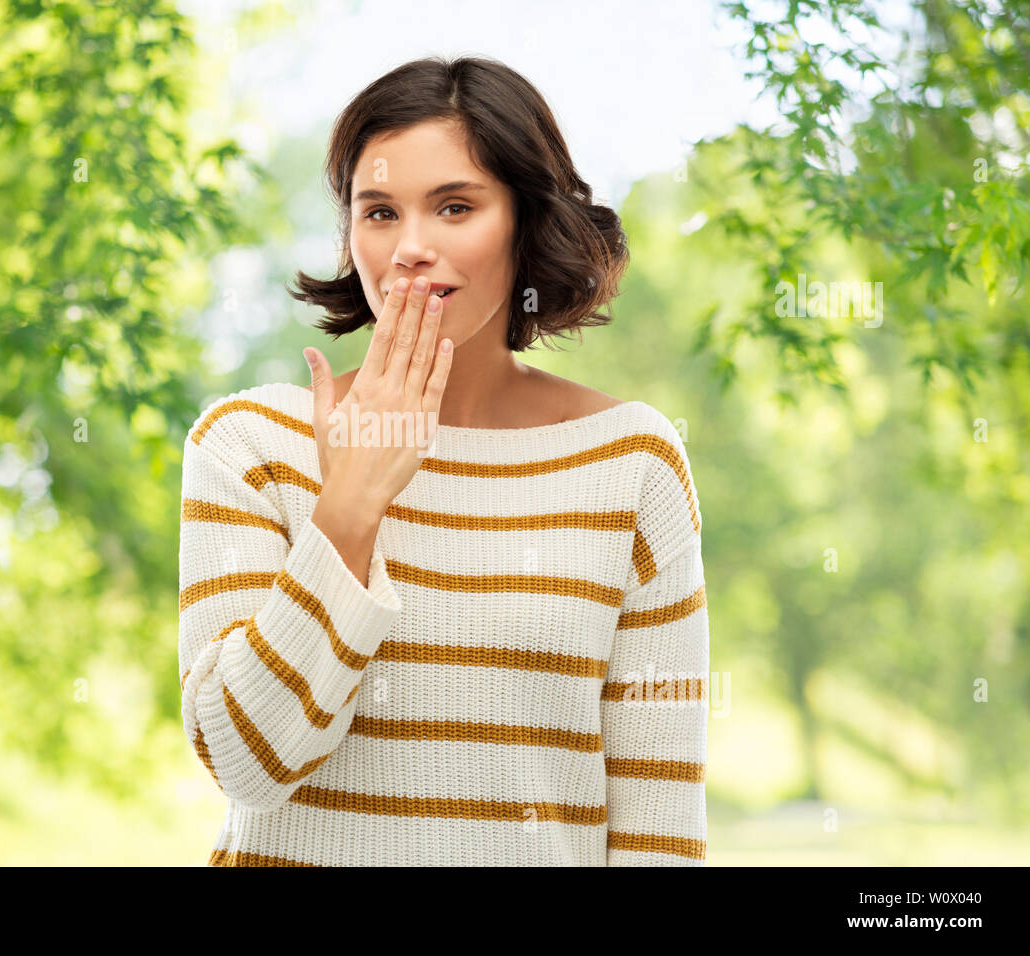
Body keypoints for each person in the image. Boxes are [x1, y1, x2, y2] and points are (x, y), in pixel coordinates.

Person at [177, 55, 708, 866]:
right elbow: (247, 764)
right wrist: (349, 505)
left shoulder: (632, 463)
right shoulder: (249, 445)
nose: (410, 249)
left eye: (455, 207)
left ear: (527, 221)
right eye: (380, 212)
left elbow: (658, 824)